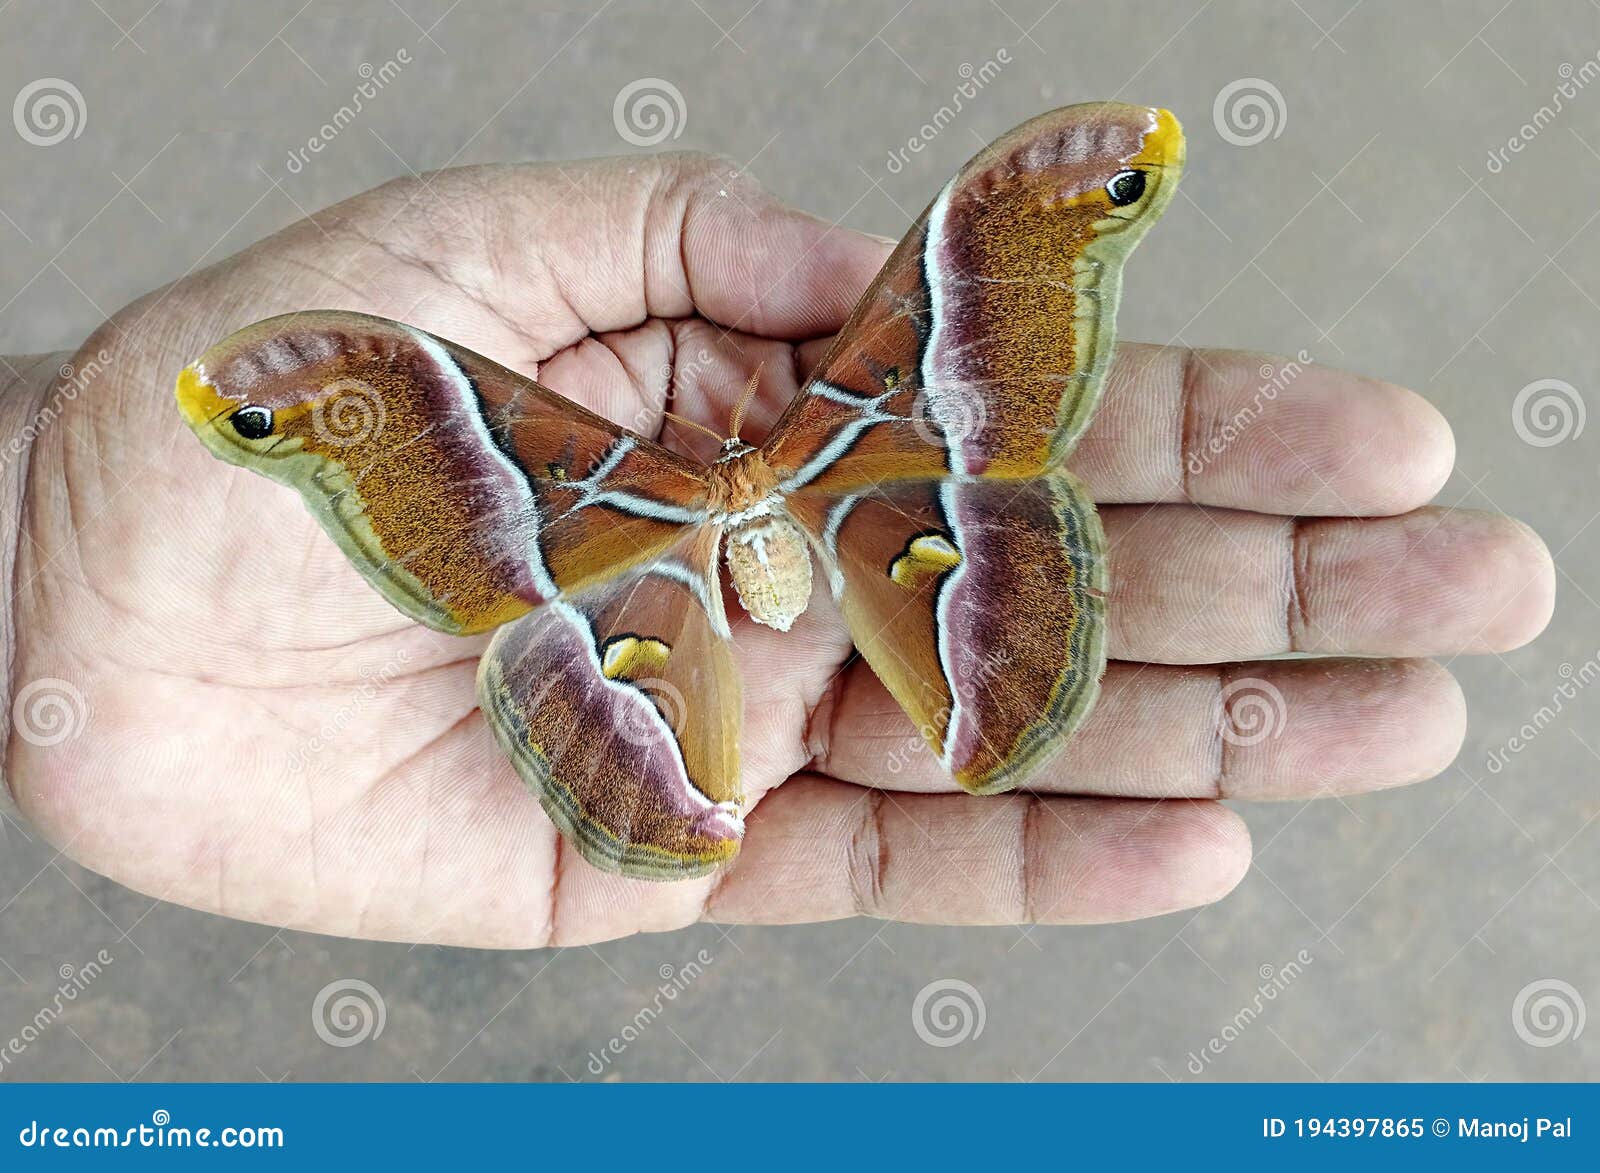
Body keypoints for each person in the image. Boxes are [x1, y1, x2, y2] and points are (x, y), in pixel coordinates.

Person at [0, 153, 1552, 947]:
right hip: (755, 550)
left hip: (731, 550)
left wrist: (34, 530)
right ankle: (684, 795)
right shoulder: (774, 422)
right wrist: (45, 510)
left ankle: (968, 698)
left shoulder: (650, 466)